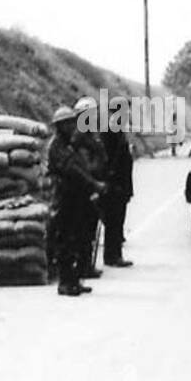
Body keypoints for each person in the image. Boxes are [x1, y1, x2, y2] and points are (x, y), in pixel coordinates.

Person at [46, 105, 105, 296]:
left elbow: (83, 164)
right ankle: (65, 282)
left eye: (72, 122)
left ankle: (74, 280)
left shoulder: (69, 143)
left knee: (76, 239)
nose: (72, 125)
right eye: (68, 123)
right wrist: (93, 184)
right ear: (60, 126)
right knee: (64, 240)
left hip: (75, 196)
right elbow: (72, 169)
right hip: (63, 197)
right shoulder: (57, 146)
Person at [72, 95, 107, 279]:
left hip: (92, 186)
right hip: (84, 190)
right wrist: (94, 184)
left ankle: (85, 265)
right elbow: (84, 166)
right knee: (83, 230)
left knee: (89, 230)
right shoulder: (79, 138)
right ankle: (82, 266)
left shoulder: (89, 135)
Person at [101, 95, 135, 267]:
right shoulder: (110, 131)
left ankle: (114, 254)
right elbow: (110, 160)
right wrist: (111, 179)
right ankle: (112, 256)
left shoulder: (117, 130)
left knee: (117, 221)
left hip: (120, 183)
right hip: (115, 184)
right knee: (114, 221)